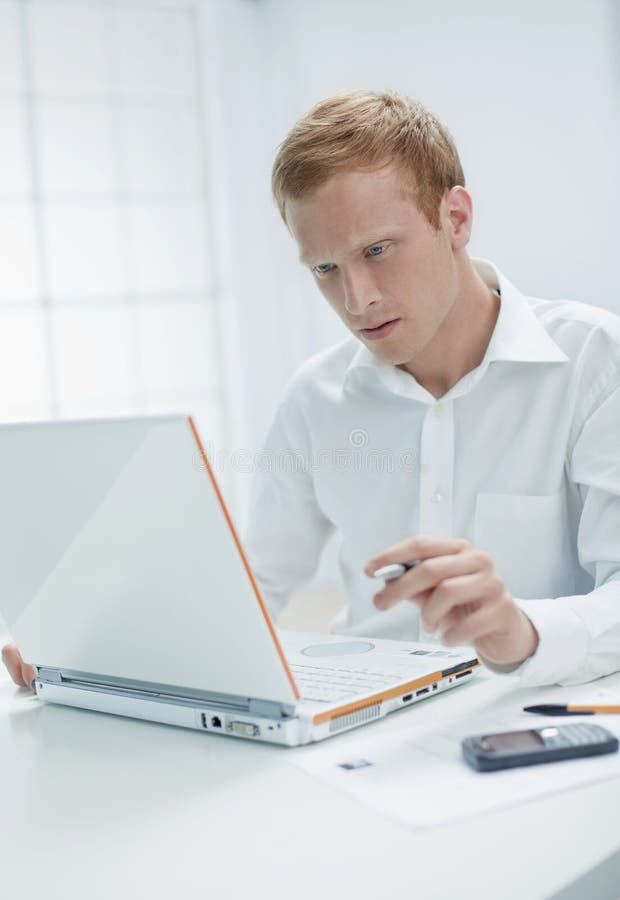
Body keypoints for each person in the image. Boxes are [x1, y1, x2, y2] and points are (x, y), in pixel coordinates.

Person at [3, 90, 620, 689]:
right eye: (324, 268)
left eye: (376, 250)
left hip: (533, 718)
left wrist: (523, 630)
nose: (357, 299)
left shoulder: (593, 361)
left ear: (454, 218)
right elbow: (257, 585)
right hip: (364, 730)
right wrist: (94, 646)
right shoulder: (316, 395)